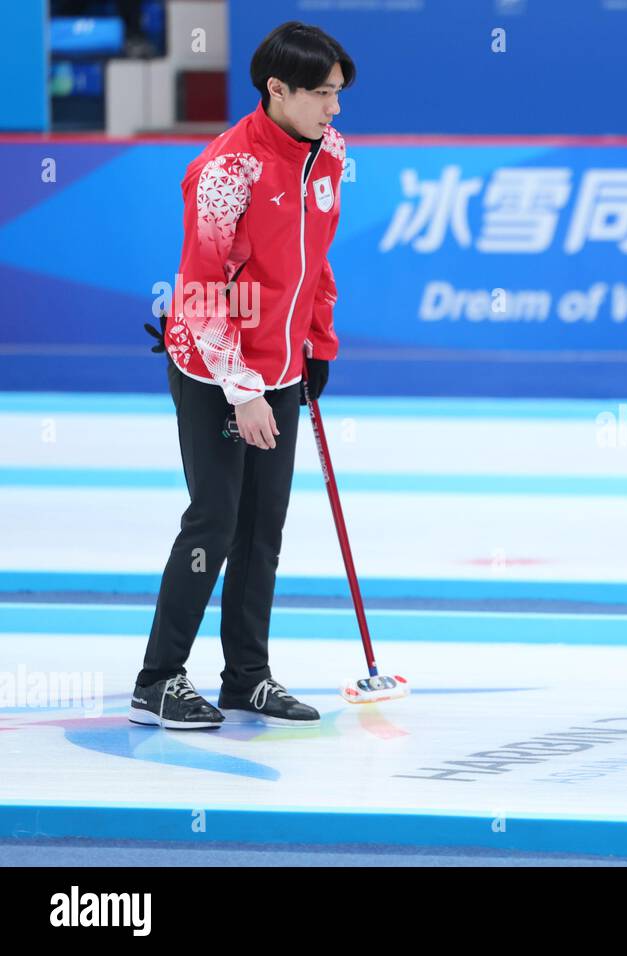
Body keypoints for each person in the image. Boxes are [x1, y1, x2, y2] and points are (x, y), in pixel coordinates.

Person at [129, 22, 354, 729]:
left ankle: (246, 677)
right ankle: (158, 679)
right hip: (211, 368)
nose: (334, 109)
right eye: (321, 94)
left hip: (282, 369)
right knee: (215, 522)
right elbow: (198, 290)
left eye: (339, 94)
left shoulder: (330, 154)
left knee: (263, 528)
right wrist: (243, 387)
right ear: (275, 90)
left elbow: (316, 261)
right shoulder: (227, 170)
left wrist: (317, 346)